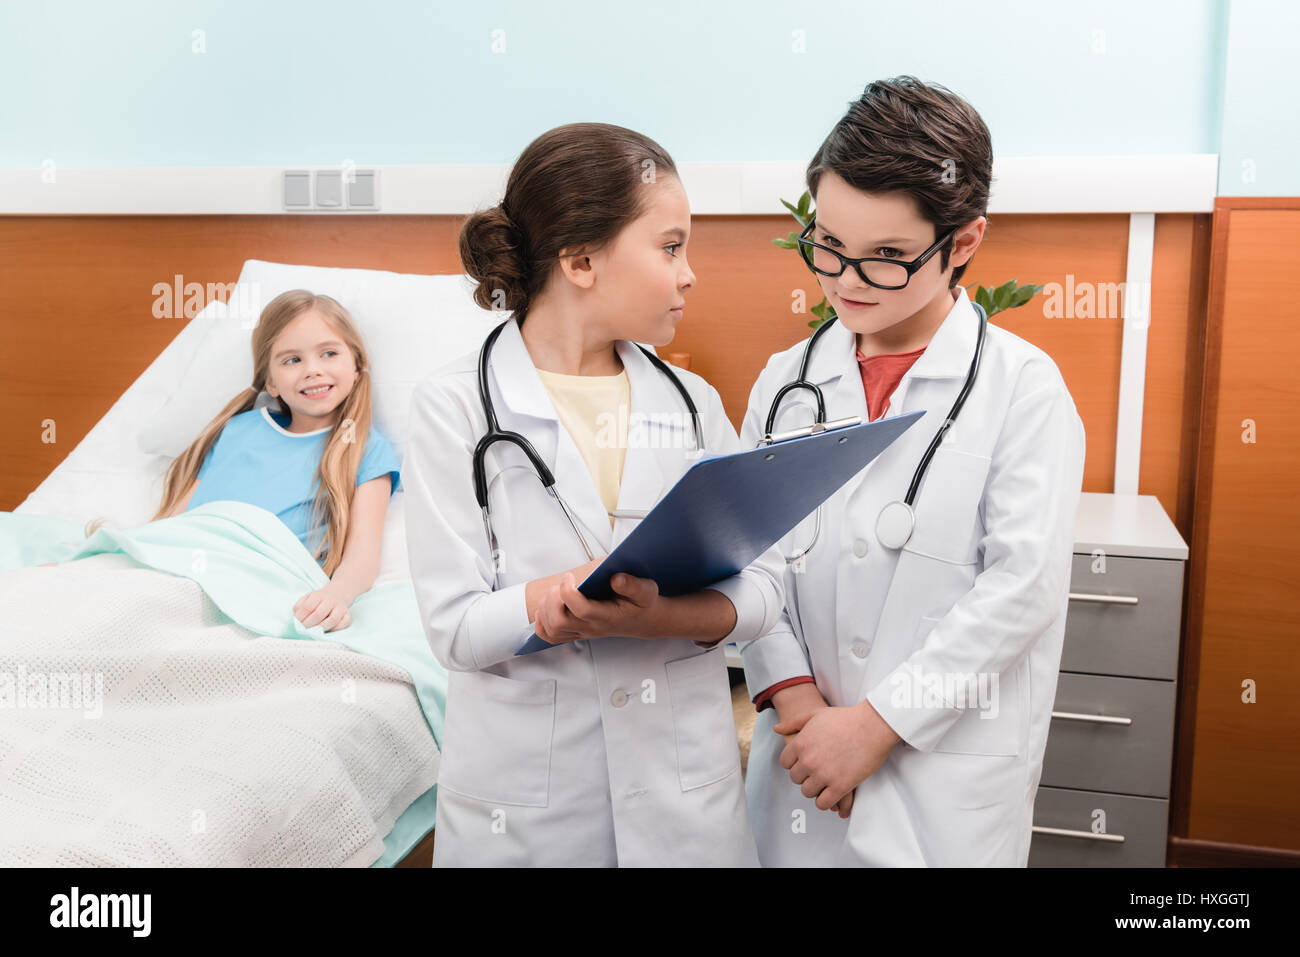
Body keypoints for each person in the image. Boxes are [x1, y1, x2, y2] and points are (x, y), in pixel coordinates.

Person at [403, 122, 785, 866]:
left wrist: (661, 616)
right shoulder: (454, 406)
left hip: (683, 807)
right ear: (580, 259)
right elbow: (453, 628)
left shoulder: (694, 403)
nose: (689, 274)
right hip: (529, 814)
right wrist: (555, 601)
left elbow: (765, 592)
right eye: (670, 247)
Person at [739, 76, 1086, 866]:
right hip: (801, 763)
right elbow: (749, 559)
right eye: (828, 244)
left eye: (888, 257)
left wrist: (872, 727)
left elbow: (1020, 588)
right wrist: (797, 702)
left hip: (940, 788)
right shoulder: (784, 382)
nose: (847, 281)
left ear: (962, 243)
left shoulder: (1023, 389)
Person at [53, 290, 402, 633]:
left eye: (328, 353)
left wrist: (335, 595)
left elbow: (363, 553)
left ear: (357, 366)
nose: (312, 370)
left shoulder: (365, 449)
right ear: (271, 382)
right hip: (189, 563)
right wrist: (139, 546)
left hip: (260, 579)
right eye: (292, 360)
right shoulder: (239, 430)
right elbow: (180, 518)